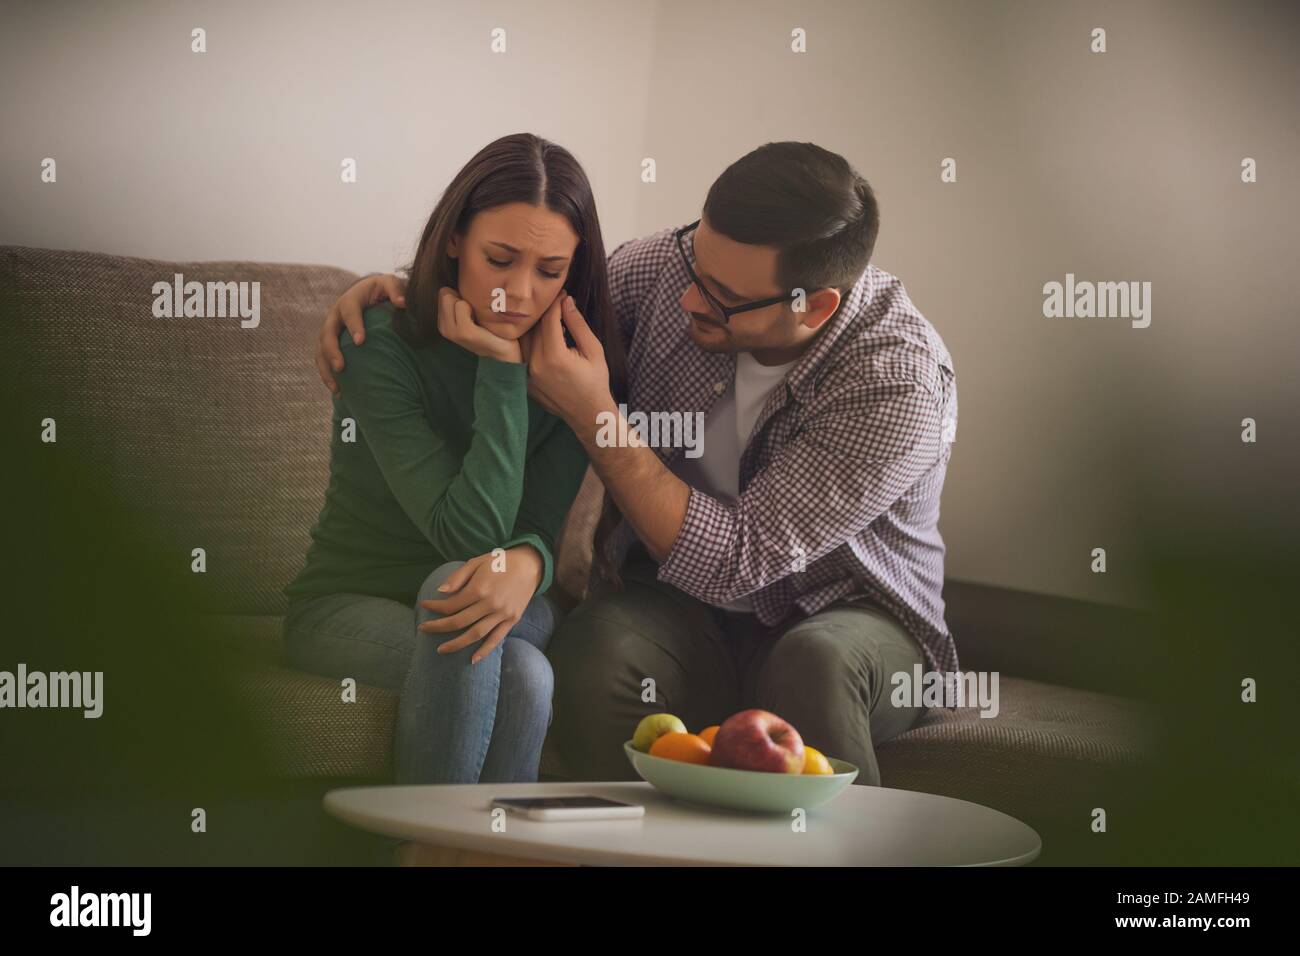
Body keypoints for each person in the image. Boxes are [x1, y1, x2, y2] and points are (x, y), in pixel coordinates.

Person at [317, 141, 958, 788]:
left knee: (813, 663)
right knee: (595, 653)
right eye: (694, 263)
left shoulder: (897, 384)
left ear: (811, 307)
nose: (687, 300)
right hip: (676, 606)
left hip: (848, 614)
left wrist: (596, 413)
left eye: (723, 296)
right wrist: (398, 291)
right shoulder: (658, 271)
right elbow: (526, 296)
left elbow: (737, 562)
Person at [282, 132, 627, 784]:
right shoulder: (378, 343)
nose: (518, 294)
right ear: (453, 240)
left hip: (506, 593)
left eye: (548, 271)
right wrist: (500, 369)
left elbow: (534, 524)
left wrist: (531, 559)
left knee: (468, 607)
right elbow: (466, 536)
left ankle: (429, 850)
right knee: (509, 659)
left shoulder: (570, 370)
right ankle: (455, 848)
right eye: (499, 259)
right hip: (347, 605)